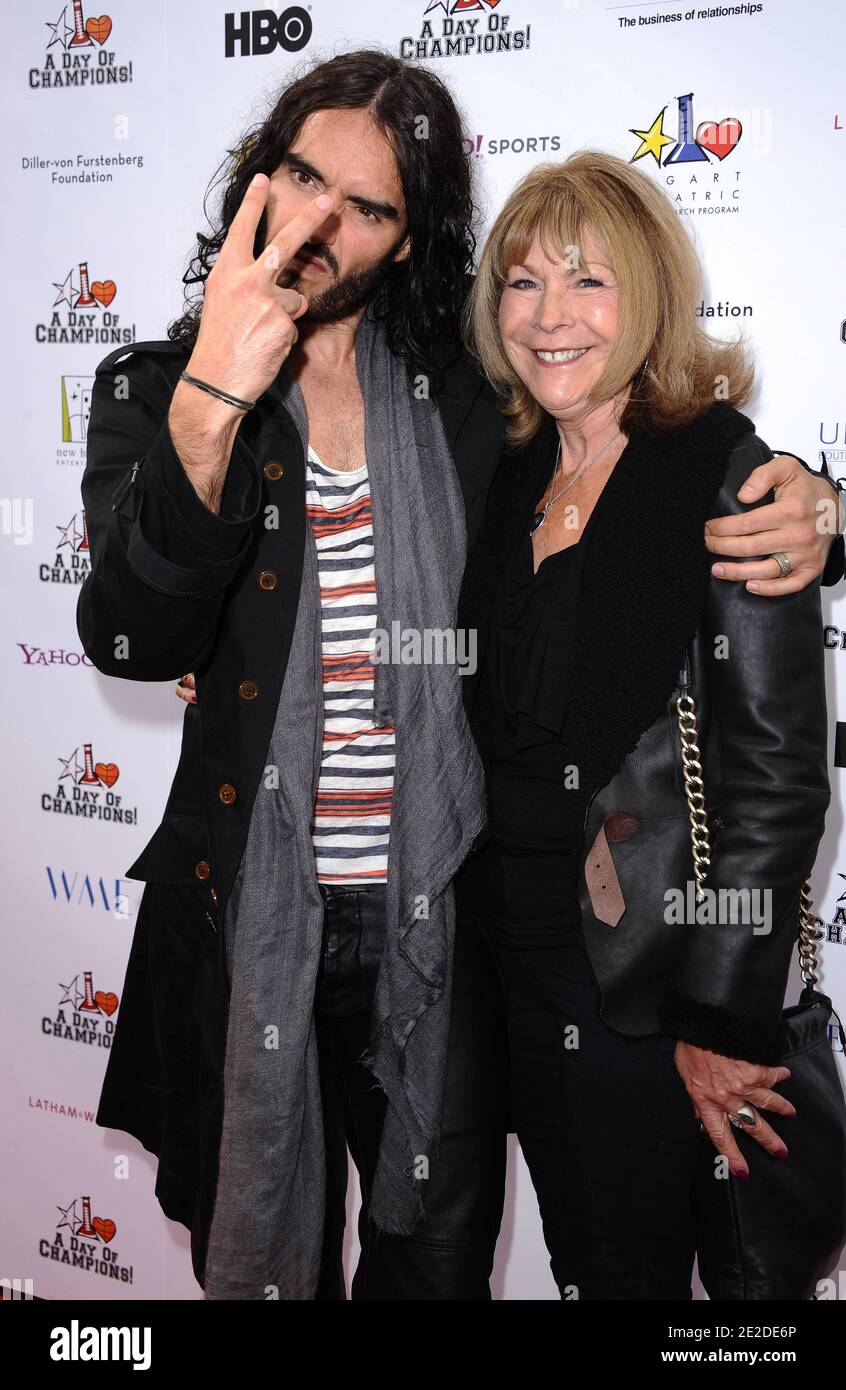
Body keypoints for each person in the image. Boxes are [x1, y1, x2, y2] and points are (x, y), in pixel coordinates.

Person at [77, 50, 839, 1301]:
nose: (321, 222)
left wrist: (821, 509)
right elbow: (129, 638)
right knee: (269, 1263)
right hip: (250, 928)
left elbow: (641, 452)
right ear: (260, 173)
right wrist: (213, 398)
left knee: (432, 1264)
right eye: (304, 177)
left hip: (447, 924)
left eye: (367, 207)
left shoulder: (467, 404)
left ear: (404, 237)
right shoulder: (157, 394)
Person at [457, 149, 833, 1300]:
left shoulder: (721, 478)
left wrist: (722, 1016)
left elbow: (775, 782)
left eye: (588, 281)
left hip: (635, 980)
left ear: (652, 296)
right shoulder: (501, 469)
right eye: (523, 283)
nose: (550, 316)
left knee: (629, 1279)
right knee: (576, 1258)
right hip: (491, 959)